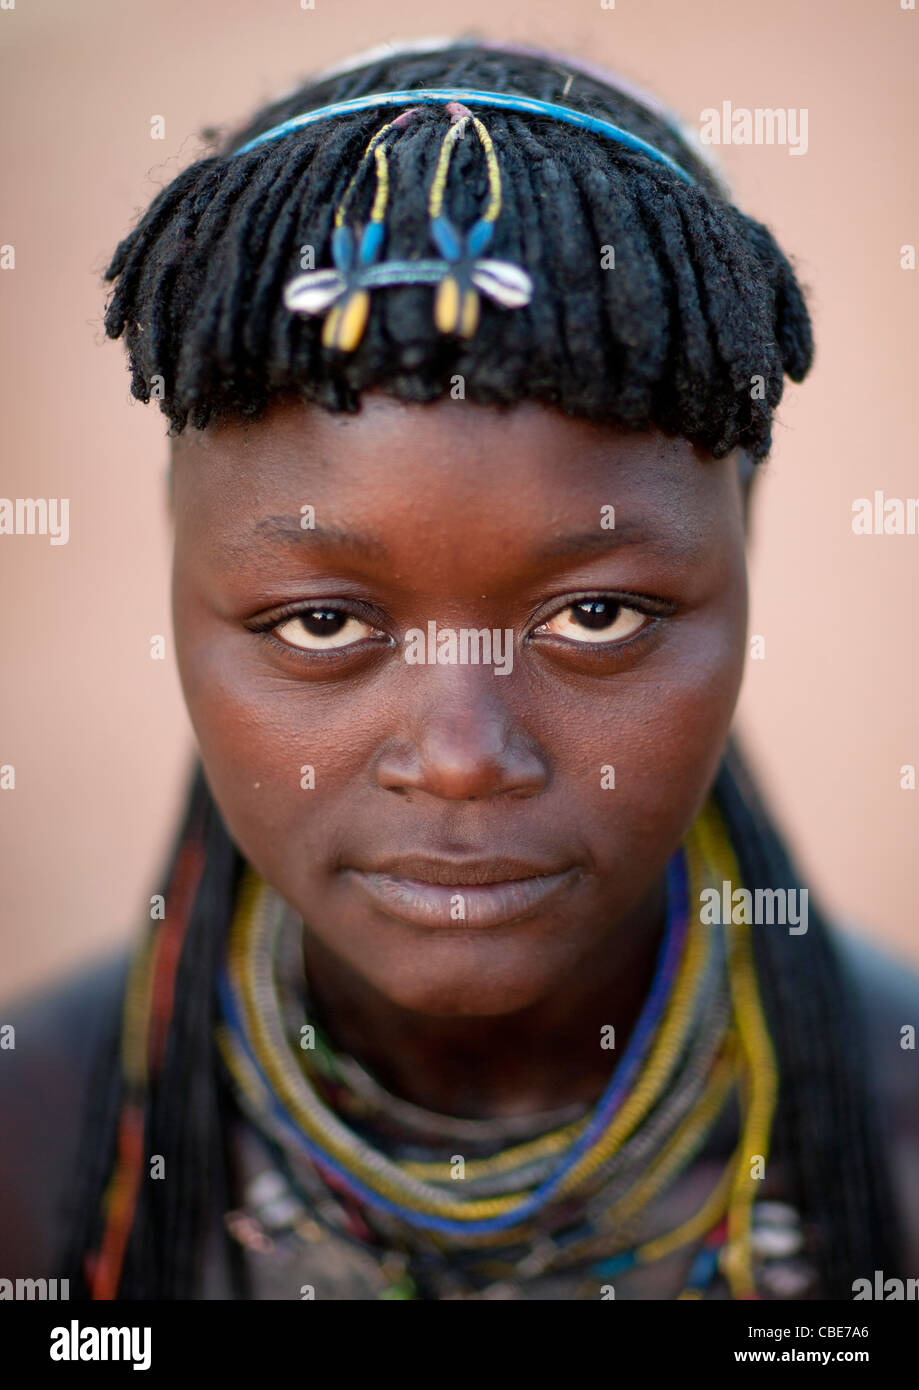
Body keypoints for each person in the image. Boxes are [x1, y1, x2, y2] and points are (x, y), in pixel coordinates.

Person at [2, 38, 916, 1302]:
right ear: (182, 571)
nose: (462, 754)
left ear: (743, 556)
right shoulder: (29, 1148)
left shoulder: (895, 1133)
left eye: (595, 612)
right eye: (323, 625)